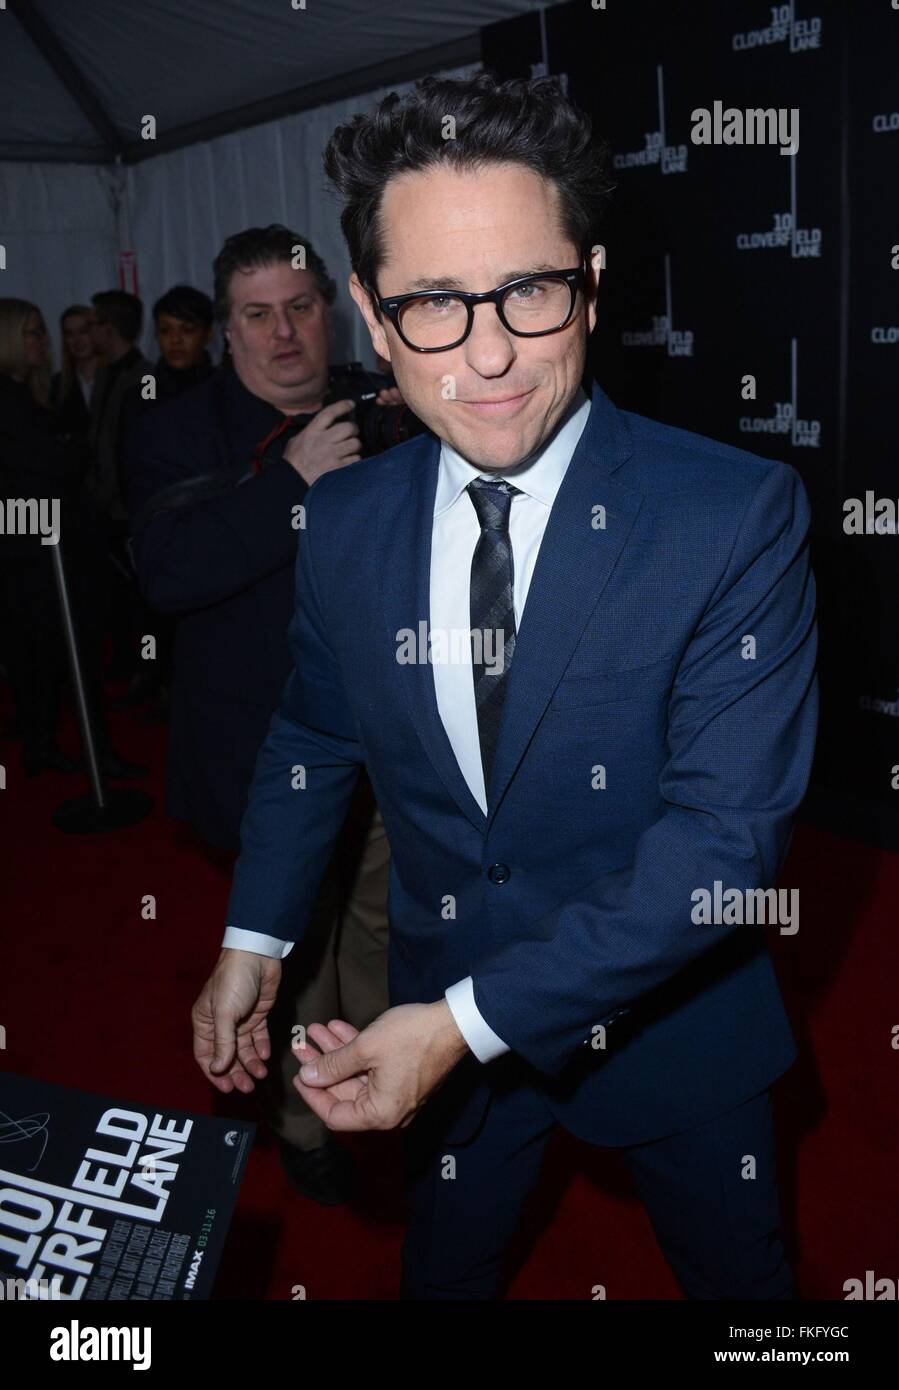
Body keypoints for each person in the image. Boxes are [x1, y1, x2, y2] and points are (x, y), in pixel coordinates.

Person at [191, 73, 820, 1301]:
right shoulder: (348, 519)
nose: (485, 356)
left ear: (586, 281)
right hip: (431, 1012)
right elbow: (314, 736)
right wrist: (251, 937)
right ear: (371, 316)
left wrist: (458, 1024)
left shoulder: (731, 517)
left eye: (526, 291)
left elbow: (720, 852)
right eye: (430, 301)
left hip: (672, 1034)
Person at [129, 226, 393, 1204]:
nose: (282, 333)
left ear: (330, 309)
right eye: (256, 314)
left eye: (299, 306)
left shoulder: (381, 402)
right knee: (294, 951)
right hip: (265, 759)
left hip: (393, 748)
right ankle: (299, 1124)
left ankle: (362, 1083)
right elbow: (163, 575)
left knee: (376, 933)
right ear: (225, 330)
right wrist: (293, 483)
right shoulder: (174, 429)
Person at [0, 298, 144, 780]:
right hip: (38, 556)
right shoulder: (13, 399)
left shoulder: (30, 395)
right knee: (58, 654)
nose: (45, 341)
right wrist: (70, 451)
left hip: (44, 550)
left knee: (52, 655)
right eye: (35, 332)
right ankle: (84, 754)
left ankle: (54, 744)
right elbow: (52, 467)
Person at [50, 304, 102, 446]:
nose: (77, 340)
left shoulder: (119, 378)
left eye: (83, 331)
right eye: (70, 334)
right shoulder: (56, 385)